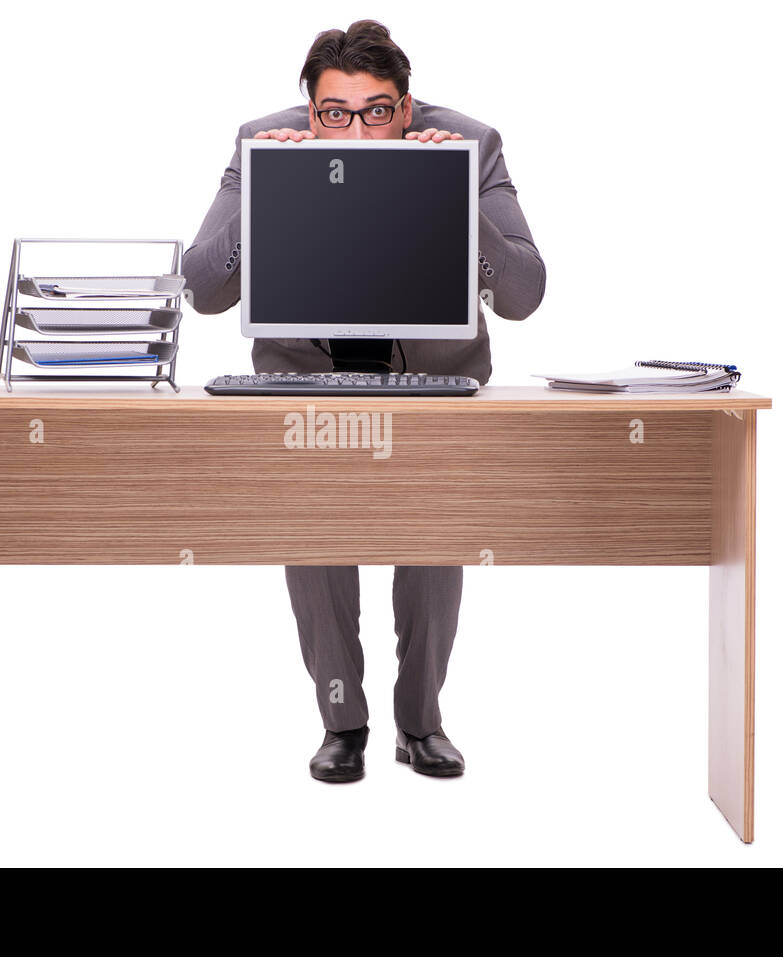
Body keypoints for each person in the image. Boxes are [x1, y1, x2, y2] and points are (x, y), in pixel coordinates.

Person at [183, 19, 546, 783]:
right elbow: (203, 288)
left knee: (431, 536)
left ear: (407, 107)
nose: (356, 128)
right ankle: (342, 720)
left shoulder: (469, 143)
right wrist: (271, 194)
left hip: (436, 382)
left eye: (377, 110)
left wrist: (450, 194)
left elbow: (522, 292)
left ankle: (420, 721)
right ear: (310, 110)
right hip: (306, 379)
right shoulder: (265, 144)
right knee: (316, 533)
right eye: (334, 113)